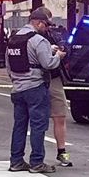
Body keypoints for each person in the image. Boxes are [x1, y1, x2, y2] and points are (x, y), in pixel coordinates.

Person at [7, 9, 66, 174]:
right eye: (46, 25)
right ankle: (37, 162)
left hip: (17, 88)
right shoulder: (38, 40)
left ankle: (16, 161)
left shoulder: (13, 39)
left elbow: (8, 66)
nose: (47, 28)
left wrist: (17, 80)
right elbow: (48, 64)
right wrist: (59, 57)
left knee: (19, 126)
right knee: (38, 126)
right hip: (35, 87)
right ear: (38, 22)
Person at [39, 9, 72, 167]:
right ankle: (37, 154)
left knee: (60, 115)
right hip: (37, 78)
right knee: (37, 118)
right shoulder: (31, 37)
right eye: (46, 23)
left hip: (54, 77)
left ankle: (62, 151)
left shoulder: (54, 34)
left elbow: (66, 48)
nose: (48, 27)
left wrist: (61, 50)